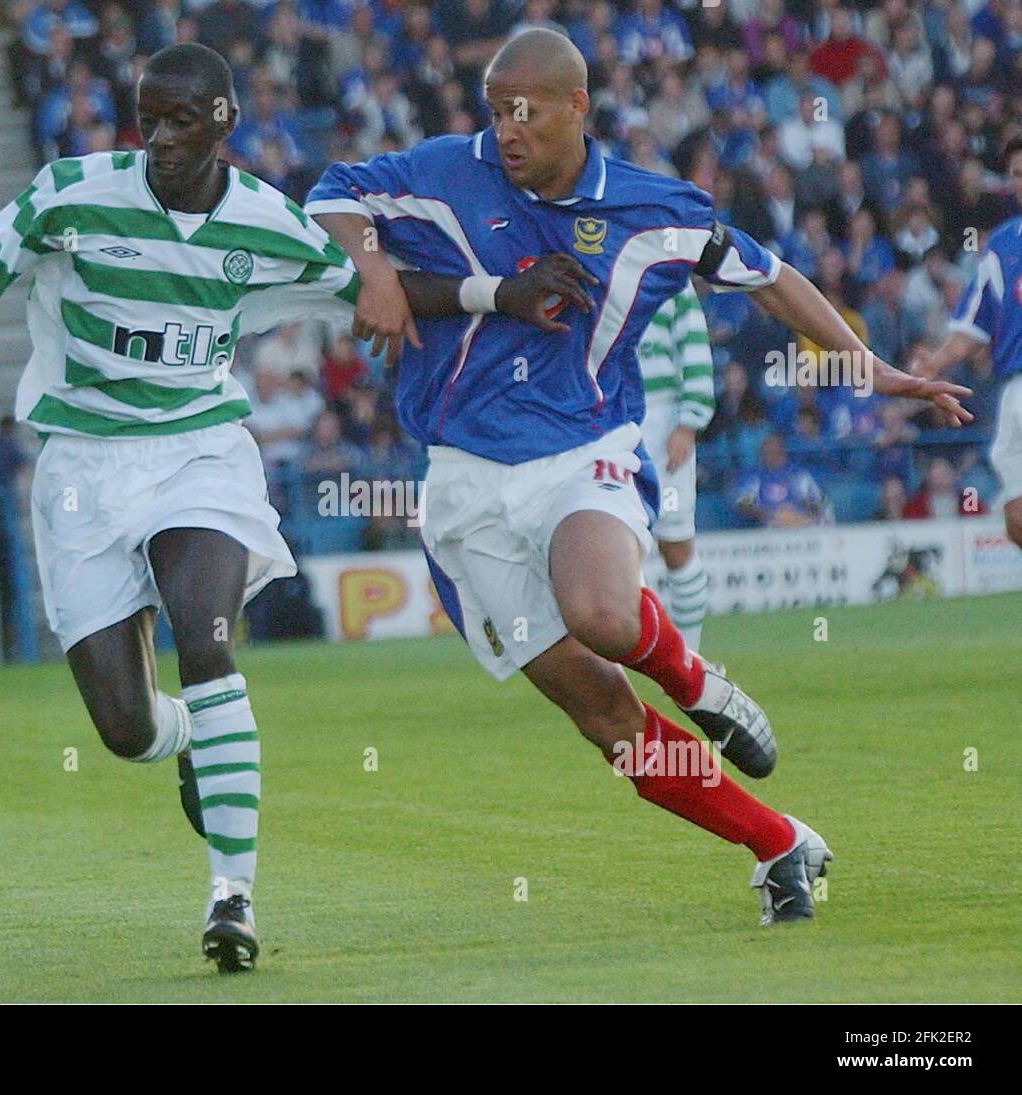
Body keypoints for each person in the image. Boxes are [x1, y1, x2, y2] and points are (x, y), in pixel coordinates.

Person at [307, 29, 970, 925]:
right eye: (496, 107)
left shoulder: (653, 207)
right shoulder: (442, 168)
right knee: (604, 718)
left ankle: (699, 683)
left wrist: (867, 363)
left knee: (604, 614)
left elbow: (771, 278)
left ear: (577, 106)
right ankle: (778, 843)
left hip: (585, 451)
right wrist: (372, 265)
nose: (505, 126)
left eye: (525, 109)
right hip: (461, 482)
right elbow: (330, 192)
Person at [0, 43, 362, 975]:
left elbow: (368, 291)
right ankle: (182, 741)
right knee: (126, 729)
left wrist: (487, 293)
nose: (162, 138)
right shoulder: (69, 196)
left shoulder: (269, 220)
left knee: (207, 640)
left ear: (224, 120)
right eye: (149, 119)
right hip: (82, 470)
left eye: (183, 120)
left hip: (199, 454)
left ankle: (233, 896)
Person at [912, 135, 1022, 551]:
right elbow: (974, 326)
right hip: (1013, 389)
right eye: (1016, 174)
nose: (1021, 182)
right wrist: (936, 362)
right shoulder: (1002, 245)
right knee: (1014, 517)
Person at [637, 280, 713, 651]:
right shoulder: (592, 265)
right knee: (613, 550)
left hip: (661, 425)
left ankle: (691, 658)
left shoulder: (672, 281)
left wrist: (688, 423)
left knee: (676, 546)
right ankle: (616, 669)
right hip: (604, 423)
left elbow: (696, 352)